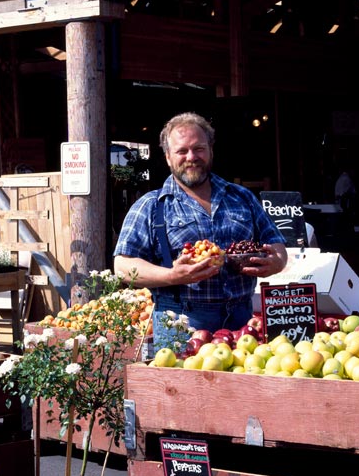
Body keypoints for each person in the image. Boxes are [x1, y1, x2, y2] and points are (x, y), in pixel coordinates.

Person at [113, 112, 287, 348]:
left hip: (241, 322)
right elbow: (123, 266)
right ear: (168, 157)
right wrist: (172, 276)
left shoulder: (242, 197)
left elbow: (275, 242)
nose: (191, 157)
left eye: (199, 149)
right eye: (182, 151)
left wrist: (277, 262)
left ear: (211, 150)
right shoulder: (151, 205)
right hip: (181, 324)